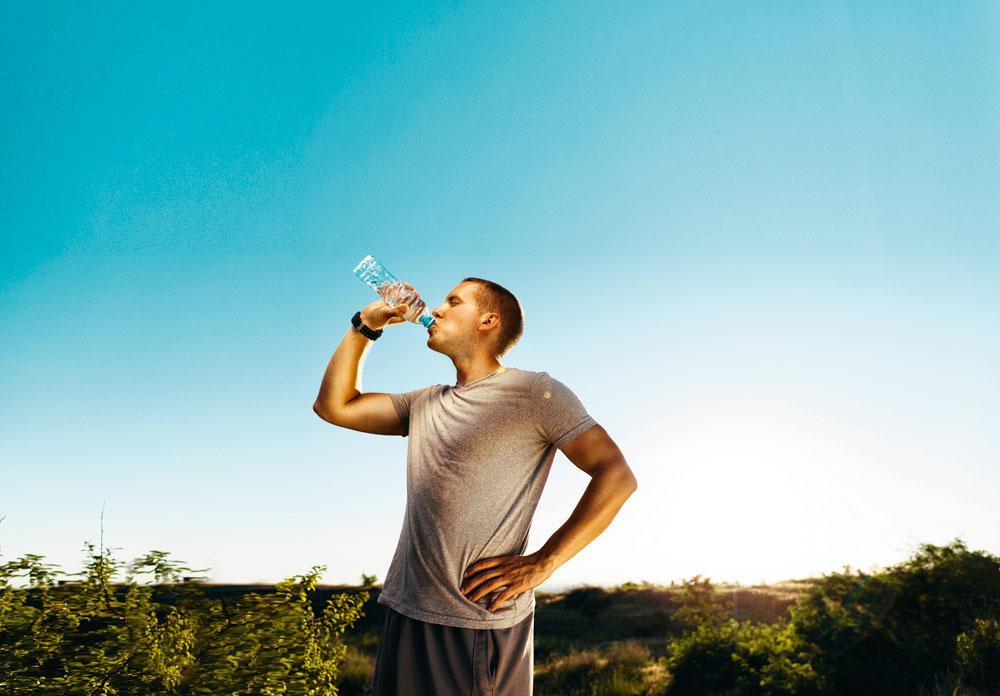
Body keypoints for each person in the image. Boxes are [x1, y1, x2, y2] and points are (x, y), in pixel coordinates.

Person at [313, 277, 638, 695]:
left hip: (473, 623)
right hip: (406, 609)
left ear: (488, 320)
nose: (438, 308)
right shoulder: (425, 402)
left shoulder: (535, 392)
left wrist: (545, 561)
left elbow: (616, 475)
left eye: (454, 301)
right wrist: (364, 324)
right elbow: (333, 407)